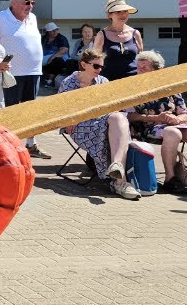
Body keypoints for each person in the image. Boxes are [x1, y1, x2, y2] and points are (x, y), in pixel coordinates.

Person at [59, 49, 140, 200]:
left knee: (119, 117)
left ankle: (117, 166)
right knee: (116, 124)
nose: (100, 70)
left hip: (101, 119)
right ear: (83, 64)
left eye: (102, 67)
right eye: (96, 66)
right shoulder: (69, 83)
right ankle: (120, 183)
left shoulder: (103, 81)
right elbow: (62, 110)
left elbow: (110, 106)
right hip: (79, 125)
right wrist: (72, 117)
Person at [127, 50, 187, 195]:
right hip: (146, 127)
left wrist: (177, 119)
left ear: (156, 70)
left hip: (173, 124)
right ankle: (170, 179)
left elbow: (185, 113)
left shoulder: (169, 87)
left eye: (144, 68)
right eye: (138, 67)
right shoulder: (132, 87)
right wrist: (156, 118)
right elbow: (130, 116)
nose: (139, 70)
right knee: (173, 132)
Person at [0, 0, 51, 159]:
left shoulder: (32, 18)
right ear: (14, 3)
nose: (30, 6)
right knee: (12, 111)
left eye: (32, 2)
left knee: (30, 110)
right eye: (27, 2)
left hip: (33, 72)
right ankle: (11, 146)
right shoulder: (1, 19)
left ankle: (31, 145)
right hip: (12, 73)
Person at [94, 0, 143, 81]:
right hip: (109, 81)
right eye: (118, 12)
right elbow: (95, 60)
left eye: (125, 11)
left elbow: (141, 58)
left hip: (134, 79)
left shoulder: (135, 33)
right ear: (110, 15)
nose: (123, 15)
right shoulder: (101, 35)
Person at [40, 22, 71, 88]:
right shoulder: (44, 38)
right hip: (44, 58)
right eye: (53, 30)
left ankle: (50, 81)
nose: (55, 32)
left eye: (56, 29)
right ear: (48, 31)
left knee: (56, 60)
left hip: (61, 58)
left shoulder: (61, 38)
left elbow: (64, 50)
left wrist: (52, 57)